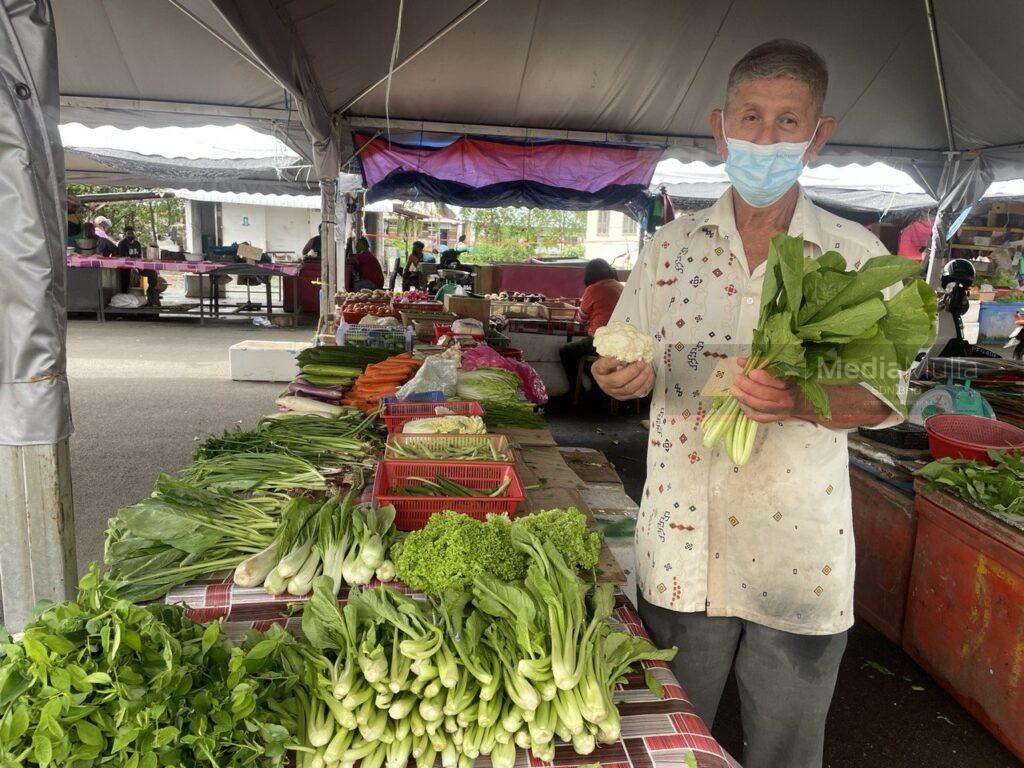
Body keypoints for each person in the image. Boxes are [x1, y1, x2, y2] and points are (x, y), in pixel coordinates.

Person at [593, 40, 903, 768]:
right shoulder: (667, 250)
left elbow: (883, 398)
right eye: (751, 118)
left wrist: (800, 397)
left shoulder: (855, 258)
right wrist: (620, 380)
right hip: (680, 546)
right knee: (666, 742)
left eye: (788, 122)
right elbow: (627, 356)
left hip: (797, 555)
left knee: (786, 753)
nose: (766, 138)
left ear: (819, 135)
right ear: (719, 126)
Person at [559, 259, 623, 391]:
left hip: (600, 342)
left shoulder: (593, 289)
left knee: (566, 351)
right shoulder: (620, 286)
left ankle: (577, 392)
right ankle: (596, 387)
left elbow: (581, 319)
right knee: (589, 358)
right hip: (621, 342)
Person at [116, 226, 161, 305]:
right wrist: (132, 267)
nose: (131, 235)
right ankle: (126, 299)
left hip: (137, 266)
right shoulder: (122, 244)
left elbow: (140, 257)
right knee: (128, 276)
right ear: (125, 234)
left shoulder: (137, 243)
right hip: (126, 268)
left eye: (132, 233)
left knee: (152, 272)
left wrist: (143, 262)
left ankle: (151, 293)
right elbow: (122, 259)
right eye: (128, 233)